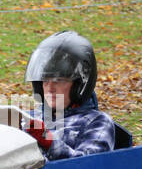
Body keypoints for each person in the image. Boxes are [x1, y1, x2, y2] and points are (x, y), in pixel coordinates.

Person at [22, 31, 116, 160]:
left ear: (79, 85)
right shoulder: (29, 118)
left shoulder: (97, 121)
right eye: (45, 80)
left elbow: (88, 166)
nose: (50, 88)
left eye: (59, 80)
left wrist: (49, 142)